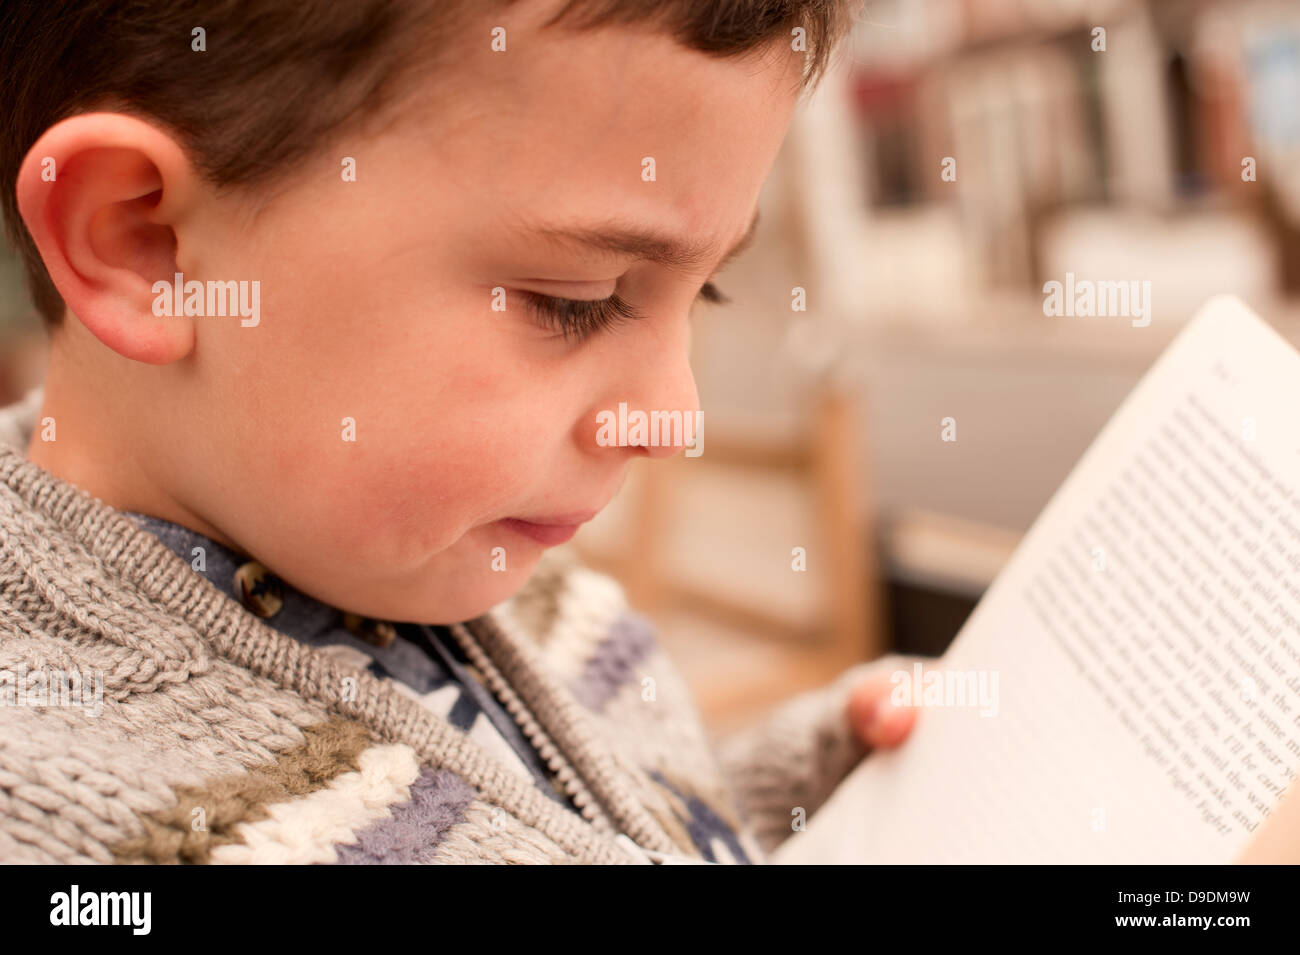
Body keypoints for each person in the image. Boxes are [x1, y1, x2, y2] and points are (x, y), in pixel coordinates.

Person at [0, 0, 915, 864]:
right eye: (577, 303)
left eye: (704, 290)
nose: (675, 417)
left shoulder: (508, 581)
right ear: (143, 245)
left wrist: (812, 792)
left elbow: (553, 809)